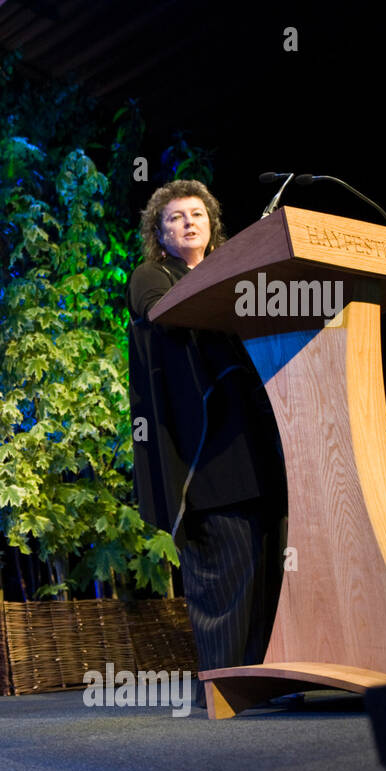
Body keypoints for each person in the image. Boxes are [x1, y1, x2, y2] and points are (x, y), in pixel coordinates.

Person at [126, 180, 287, 682]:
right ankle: (224, 684)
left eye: (197, 213)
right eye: (174, 217)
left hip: (256, 439)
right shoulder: (152, 275)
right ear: (160, 231)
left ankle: (268, 680)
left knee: (269, 570)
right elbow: (165, 315)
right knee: (223, 571)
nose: (188, 222)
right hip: (204, 449)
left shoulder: (236, 276)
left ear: (212, 223)